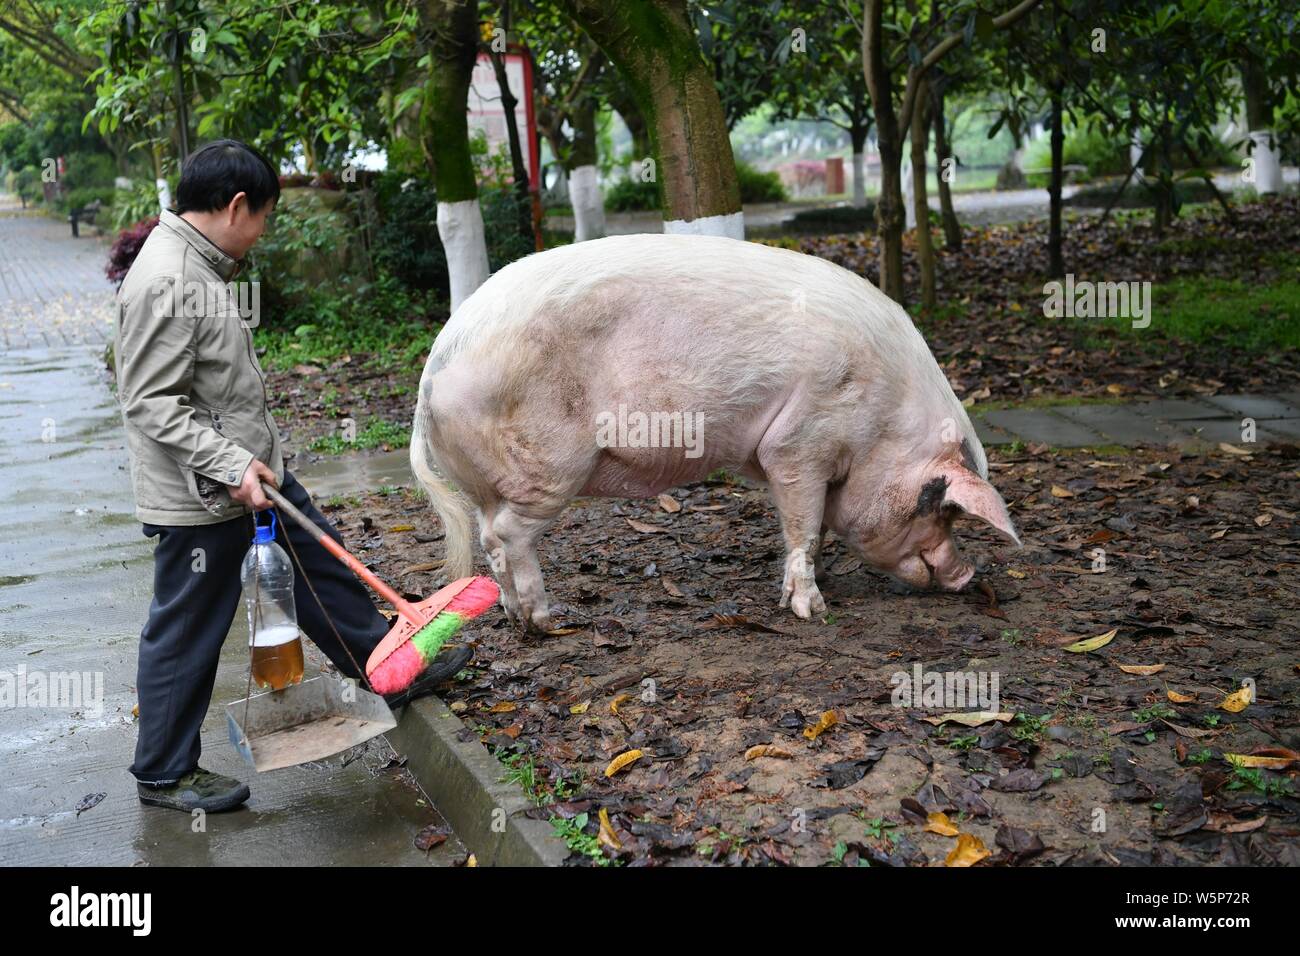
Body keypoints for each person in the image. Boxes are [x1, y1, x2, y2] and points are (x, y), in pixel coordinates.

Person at [114, 139, 468, 813]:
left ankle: (381, 671)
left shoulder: (198, 265)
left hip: (252, 476)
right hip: (204, 497)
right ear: (237, 205)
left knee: (317, 568)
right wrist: (228, 465)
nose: (264, 232)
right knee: (187, 629)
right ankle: (163, 772)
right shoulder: (169, 279)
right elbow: (151, 403)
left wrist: (254, 462)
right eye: (265, 216)